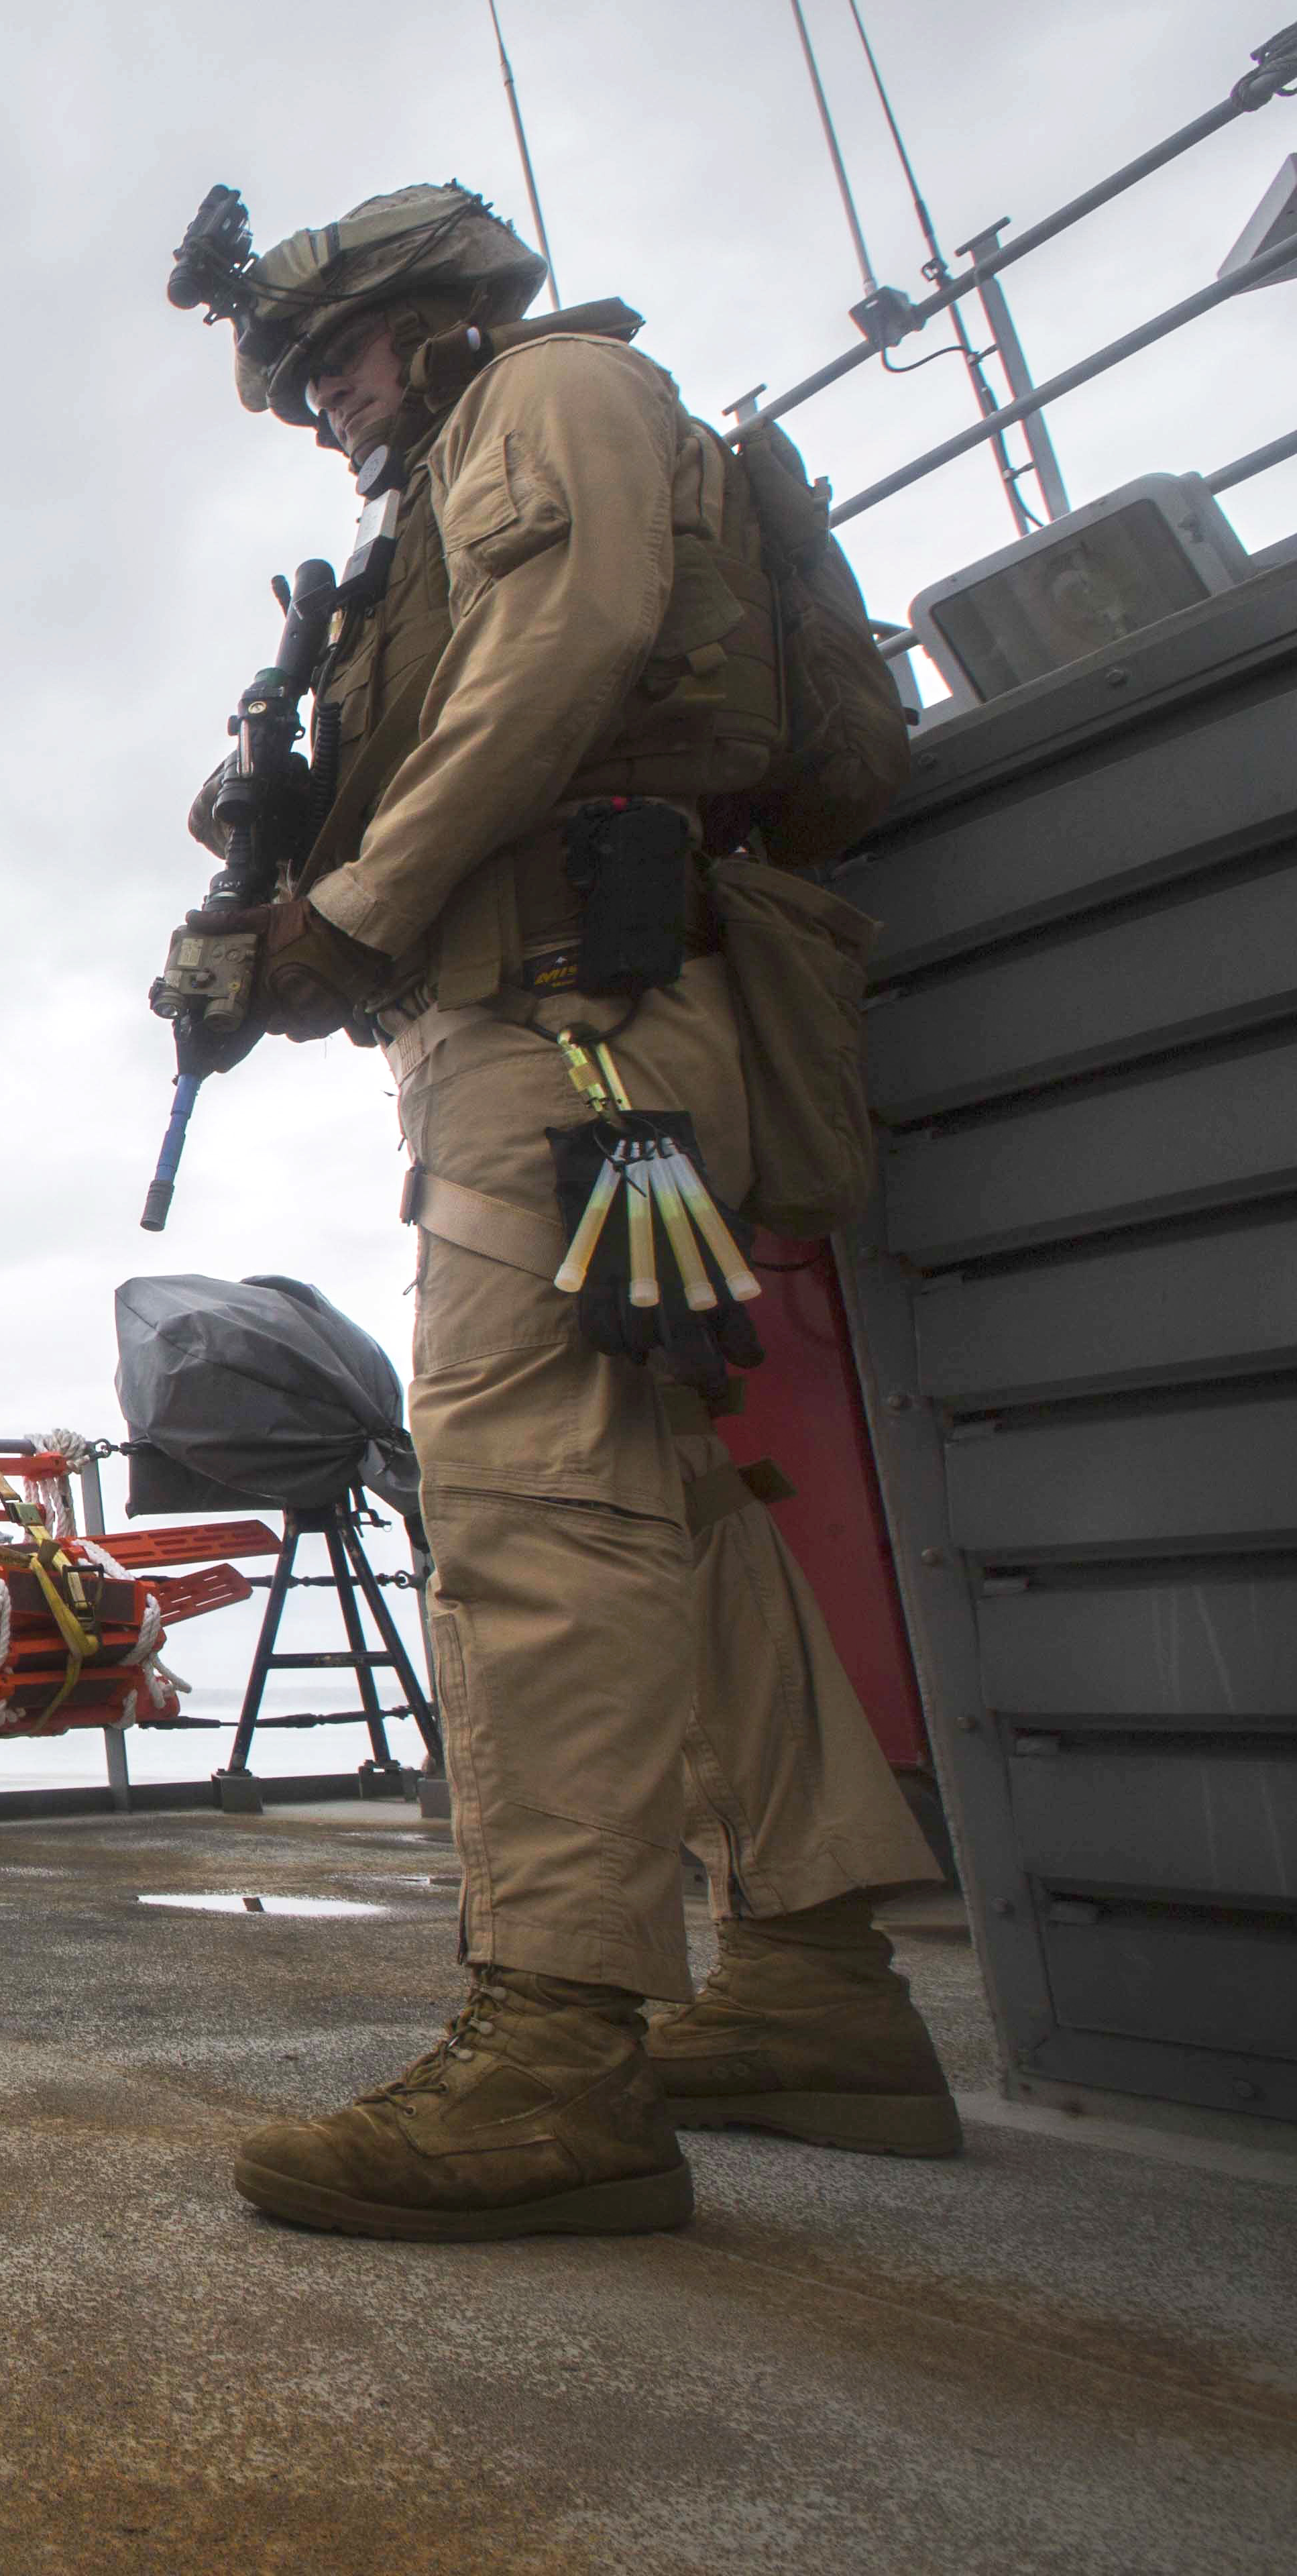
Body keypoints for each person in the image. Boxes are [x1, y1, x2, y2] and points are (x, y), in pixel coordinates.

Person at [165, 184, 954, 2241]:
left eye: (330, 361)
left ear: (430, 317)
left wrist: (343, 908)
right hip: (530, 1031)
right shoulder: (435, 494)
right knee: (663, 1505)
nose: (324, 408)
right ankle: (809, 1980)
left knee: (527, 1504)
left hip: (573, 1032)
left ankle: (555, 2051)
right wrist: (275, 908)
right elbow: (460, 728)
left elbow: (567, 646)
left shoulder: (557, 389)